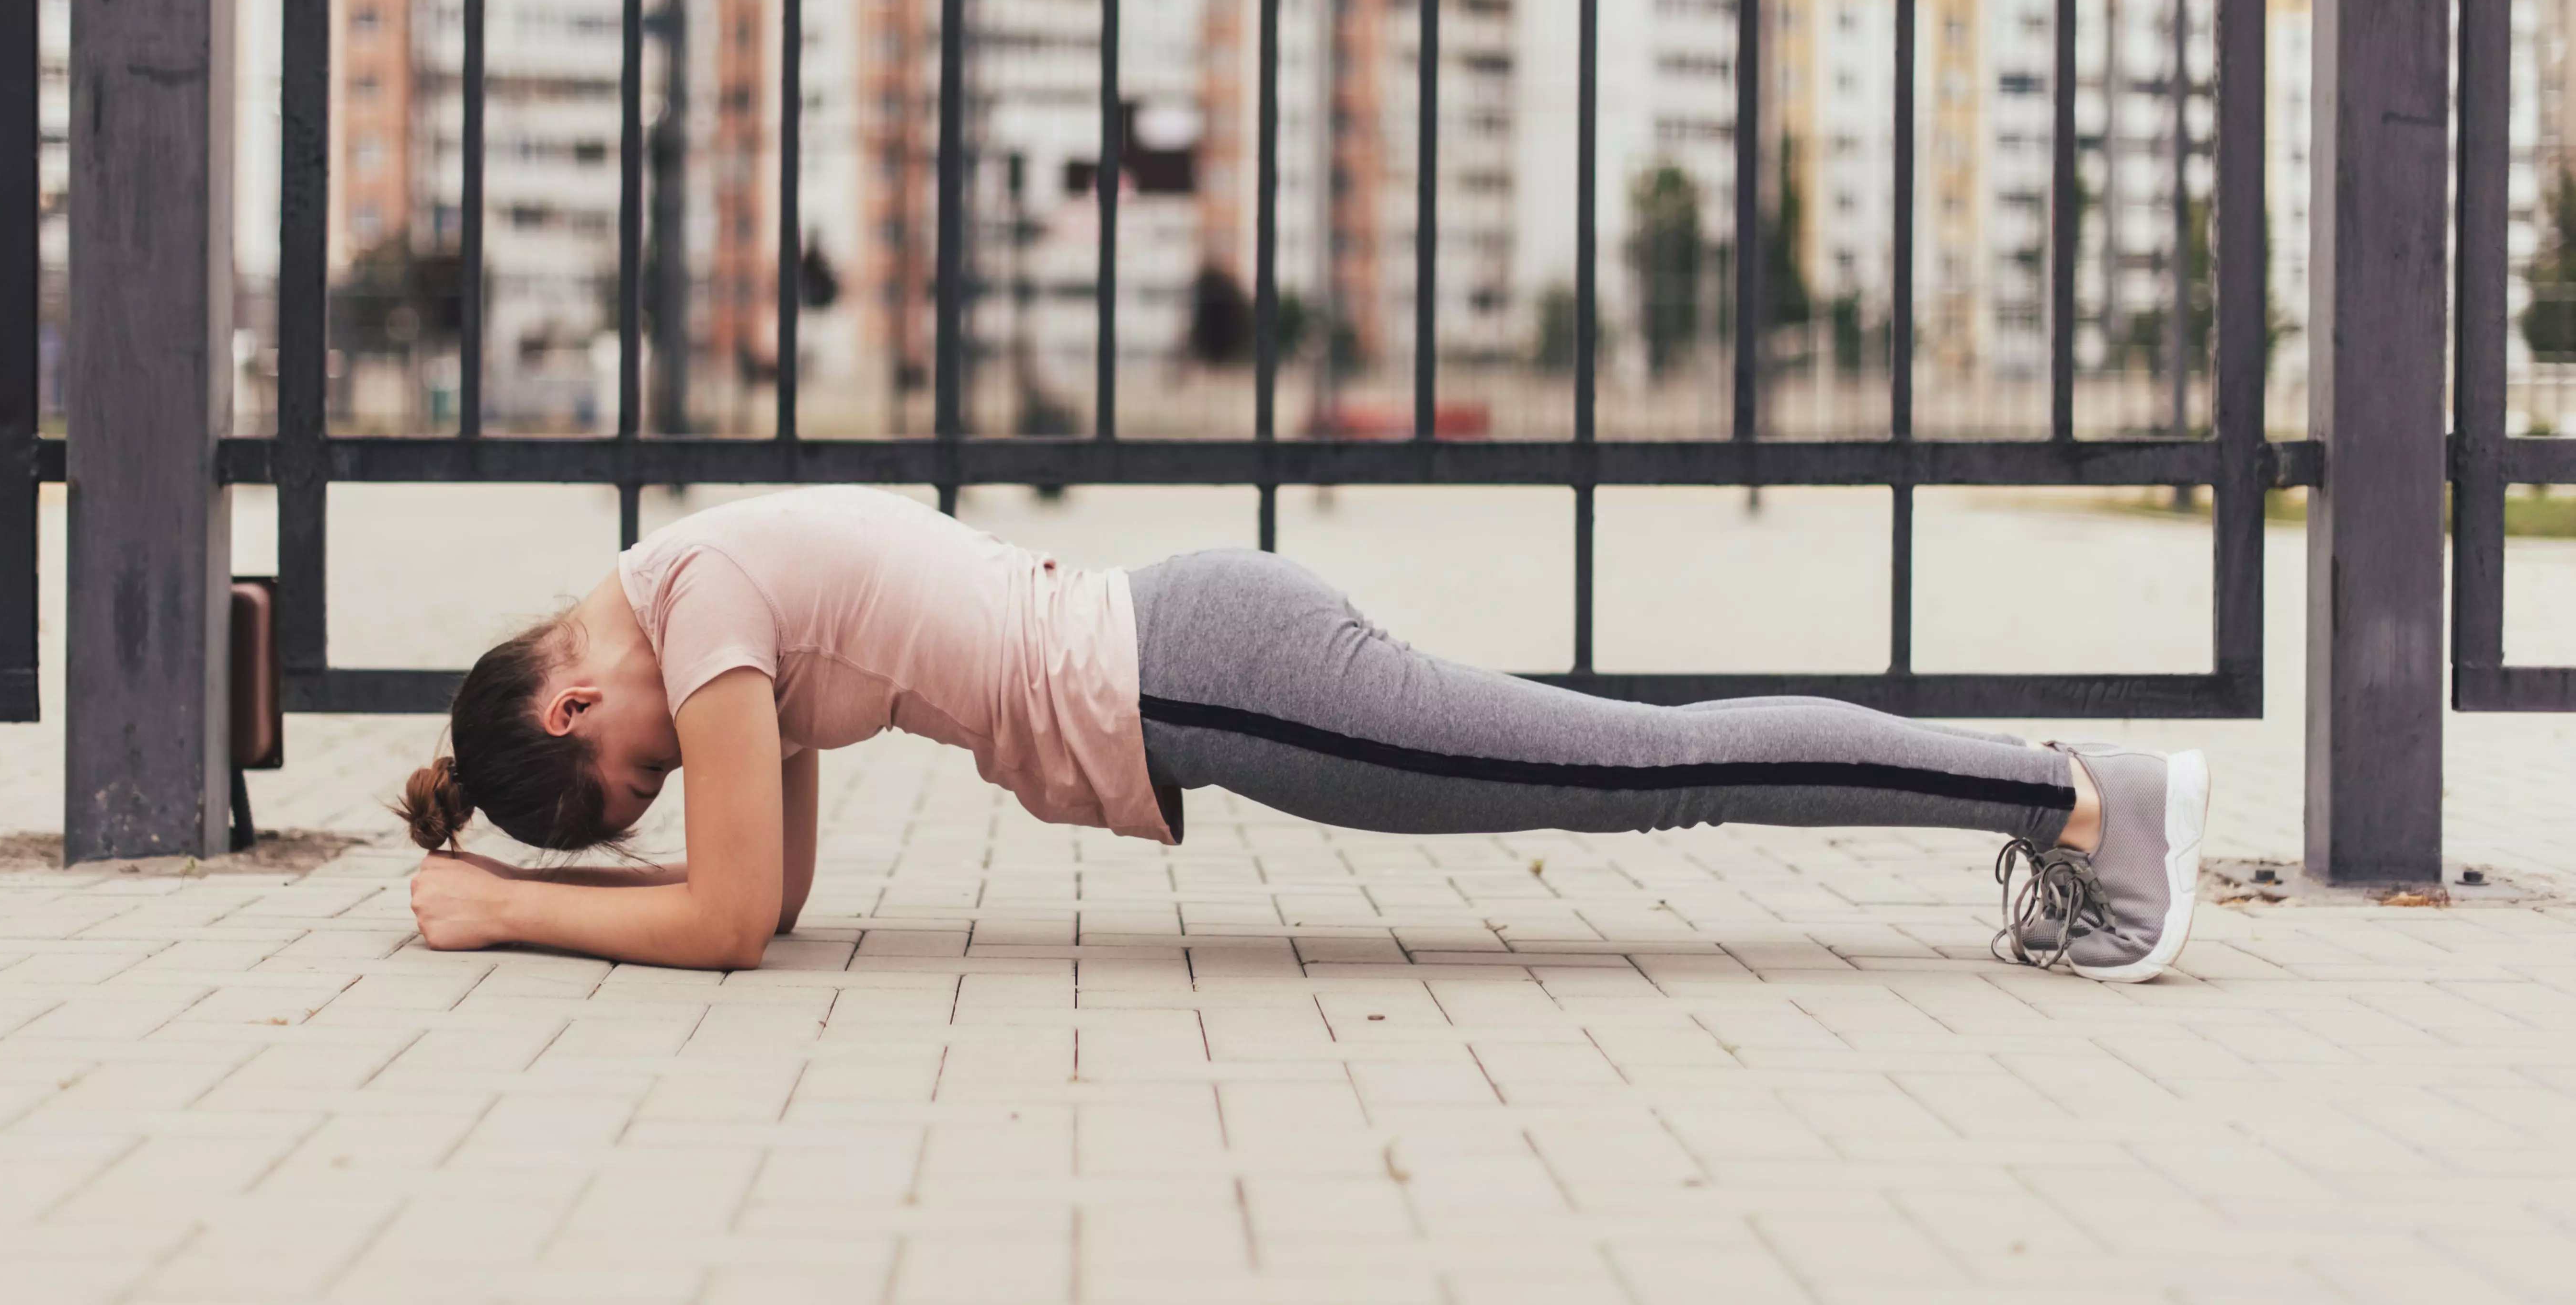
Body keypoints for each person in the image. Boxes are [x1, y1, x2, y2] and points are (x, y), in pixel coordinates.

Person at [398, 485, 2208, 982]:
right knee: (1634, 766)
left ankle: (2078, 799)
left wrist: (509, 906)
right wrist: (601, 875)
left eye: (628, 777)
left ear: (576, 698)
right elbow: (766, 899)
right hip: (1200, 658)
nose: (667, 791)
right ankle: (2067, 801)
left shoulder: (698, 603)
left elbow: (718, 920)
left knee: (1645, 767)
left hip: (1207, 675)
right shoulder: (698, 588)